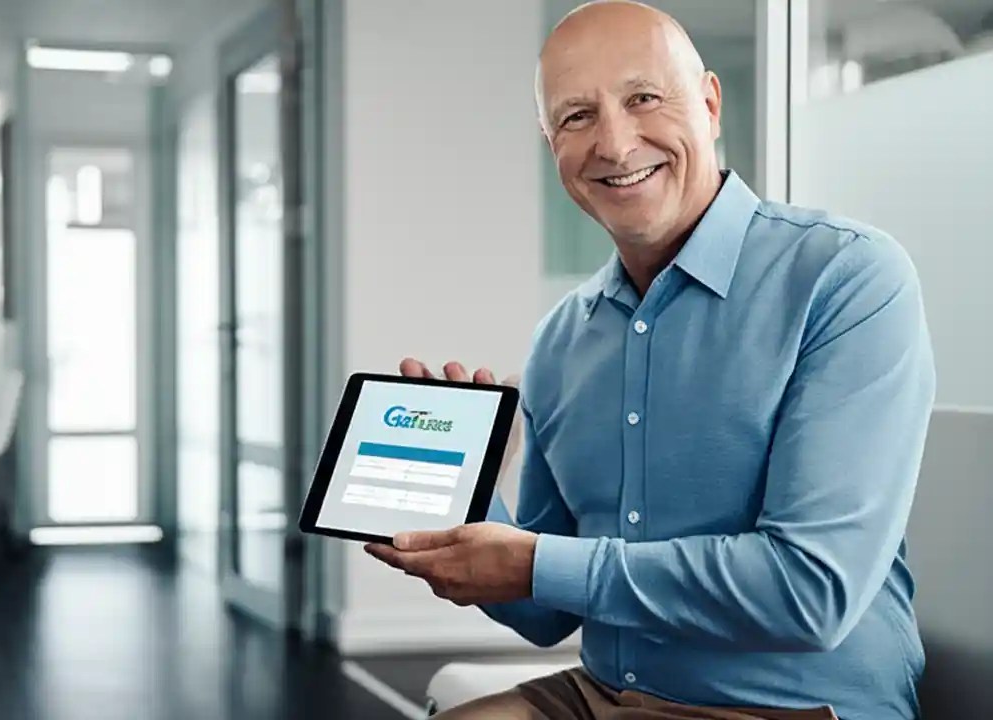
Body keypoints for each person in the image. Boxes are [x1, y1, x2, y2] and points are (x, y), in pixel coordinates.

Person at [364, 2, 935, 719]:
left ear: (710, 104)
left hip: (787, 709)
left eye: (643, 98)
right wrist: (461, 506)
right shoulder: (561, 340)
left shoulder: (847, 278)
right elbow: (544, 613)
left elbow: (810, 591)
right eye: (576, 117)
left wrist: (535, 562)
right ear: (551, 144)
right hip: (601, 693)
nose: (613, 143)